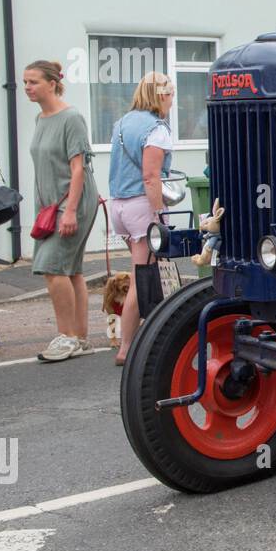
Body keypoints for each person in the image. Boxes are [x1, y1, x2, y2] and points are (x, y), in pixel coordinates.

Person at [25, 59, 99, 362]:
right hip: (49, 205)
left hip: (72, 202)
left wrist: (69, 212)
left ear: (52, 83)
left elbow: (78, 168)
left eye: (33, 82)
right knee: (72, 270)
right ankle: (79, 338)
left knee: (52, 268)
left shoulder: (72, 118)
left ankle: (67, 337)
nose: (27, 88)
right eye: (26, 82)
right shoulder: (41, 118)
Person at [108, 72, 176, 365]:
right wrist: (159, 213)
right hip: (140, 207)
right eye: (170, 94)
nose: (172, 100)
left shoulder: (121, 123)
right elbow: (151, 176)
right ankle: (127, 348)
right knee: (140, 277)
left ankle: (136, 336)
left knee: (140, 272)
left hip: (118, 206)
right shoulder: (157, 129)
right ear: (161, 96)